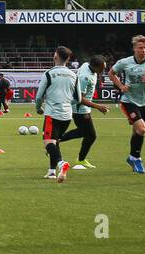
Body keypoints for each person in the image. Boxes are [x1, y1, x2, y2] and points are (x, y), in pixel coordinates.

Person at [108, 34, 145, 174]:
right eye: (140, 48)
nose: (143, 50)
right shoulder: (125, 62)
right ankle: (136, 158)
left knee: (137, 132)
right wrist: (120, 86)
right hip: (129, 101)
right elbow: (111, 73)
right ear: (134, 49)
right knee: (142, 129)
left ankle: (132, 157)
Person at [34, 47, 80, 182]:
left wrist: (38, 109)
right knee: (55, 142)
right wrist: (66, 104)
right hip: (67, 116)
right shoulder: (73, 75)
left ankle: (61, 164)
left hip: (52, 114)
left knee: (48, 143)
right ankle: (52, 171)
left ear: (56, 56)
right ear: (68, 59)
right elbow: (78, 98)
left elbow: (38, 97)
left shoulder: (48, 74)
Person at [58, 55, 108, 169]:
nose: (103, 70)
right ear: (95, 67)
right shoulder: (85, 77)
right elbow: (80, 98)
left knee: (84, 132)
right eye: (102, 68)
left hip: (82, 108)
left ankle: (56, 140)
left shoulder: (86, 65)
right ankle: (57, 141)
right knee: (91, 135)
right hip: (80, 109)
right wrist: (98, 106)